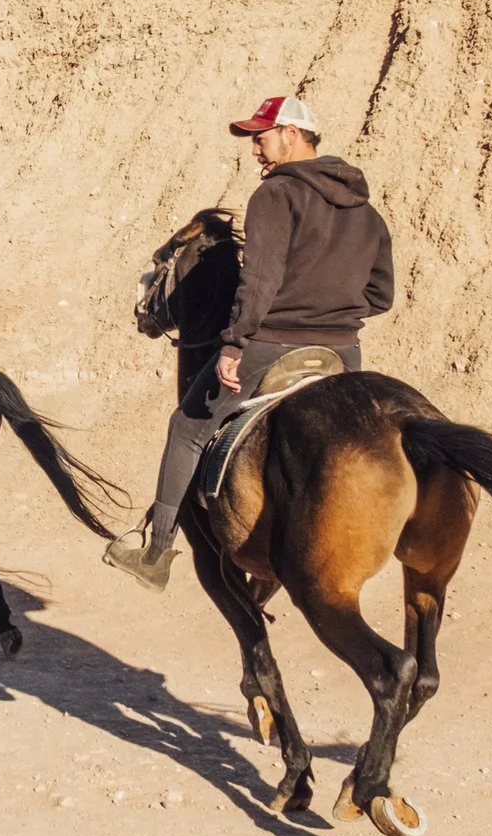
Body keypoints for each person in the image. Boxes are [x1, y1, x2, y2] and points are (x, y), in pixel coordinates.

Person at [104, 95, 395, 590]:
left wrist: (236, 344)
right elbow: (381, 294)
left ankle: (155, 553)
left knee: (187, 428)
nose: (255, 149)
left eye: (261, 137)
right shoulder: (366, 211)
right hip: (344, 352)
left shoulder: (276, 196)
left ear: (292, 134)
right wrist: (331, 312)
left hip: (273, 344)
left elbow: (258, 281)